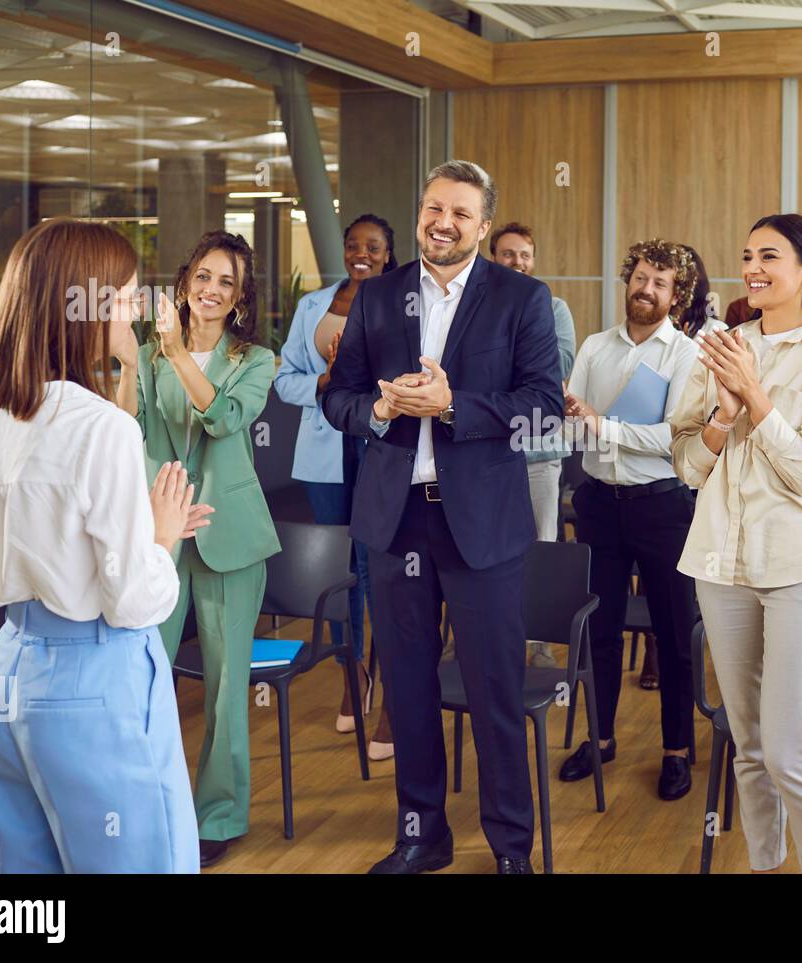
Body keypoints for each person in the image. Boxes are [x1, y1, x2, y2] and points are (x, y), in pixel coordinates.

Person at [321, 160, 562, 875]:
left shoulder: (523, 297)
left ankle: (511, 846)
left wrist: (453, 407)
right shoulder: (378, 295)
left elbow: (543, 406)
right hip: (395, 524)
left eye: (460, 212)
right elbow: (339, 398)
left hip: (482, 526)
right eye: (433, 207)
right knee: (408, 685)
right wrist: (379, 410)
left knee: (493, 692)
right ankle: (422, 836)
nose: (443, 221)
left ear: (483, 227)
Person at [0, 218, 205, 873]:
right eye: (123, 296)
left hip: (8, 676)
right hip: (96, 679)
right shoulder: (102, 433)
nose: (134, 311)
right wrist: (162, 534)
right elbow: (133, 599)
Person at [672, 213, 802, 873]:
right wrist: (723, 413)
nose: (752, 267)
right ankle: (765, 865)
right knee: (749, 746)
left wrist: (755, 396)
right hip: (720, 567)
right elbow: (687, 465)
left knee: (790, 749)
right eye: (747, 254)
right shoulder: (721, 345)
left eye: (770, 255)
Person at [119, 230, 281, 868]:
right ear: (186, 282)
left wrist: (174, 350)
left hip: (231, 539)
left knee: (223, 689)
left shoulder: (255, 360)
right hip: (164, 528)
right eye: (204, 277)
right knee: (147, 676)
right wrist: (139, 361)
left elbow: (222, 420)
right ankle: (145, 808)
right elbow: (136, 429)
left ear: (239, 298)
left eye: (227, 283)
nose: (212, 290)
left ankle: (219, 816)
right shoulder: (149, 354)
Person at [559, 239, 700, 801]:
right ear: (628, 280)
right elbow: (575, 423)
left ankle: (675, 750)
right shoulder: (595, 346)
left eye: (660, 283)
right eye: (640, 278)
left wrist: (604, 425)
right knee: (602, 628)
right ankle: (600, 738)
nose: (646, 289)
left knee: (673, 632)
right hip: (599, 502)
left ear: (676, 296)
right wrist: (579, 420)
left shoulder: (686, 354)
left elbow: (675, 435)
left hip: (663, 505)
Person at [275, 214, 397, 756]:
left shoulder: (401, 302)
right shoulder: (310, 307)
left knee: (378, 569)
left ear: (388, 254)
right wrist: (324, 380)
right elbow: (283, 379)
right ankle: (353, 680)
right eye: (353, 245)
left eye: (373, 246)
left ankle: (386, 681)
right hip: (325, 454)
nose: (362, 253)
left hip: (381, 448)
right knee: (340, 570)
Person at [489, 221, 577, 669]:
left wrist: (498, 360)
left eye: (525, 254)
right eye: (508, 254)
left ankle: (536, 645)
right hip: (485, 453)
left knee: (539, 546)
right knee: (485, 551)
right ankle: (488, 639)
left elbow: (558, 366)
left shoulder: (553, 307)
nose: (518, 262)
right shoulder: (476, 306)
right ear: (493, 258)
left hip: (540, 453)